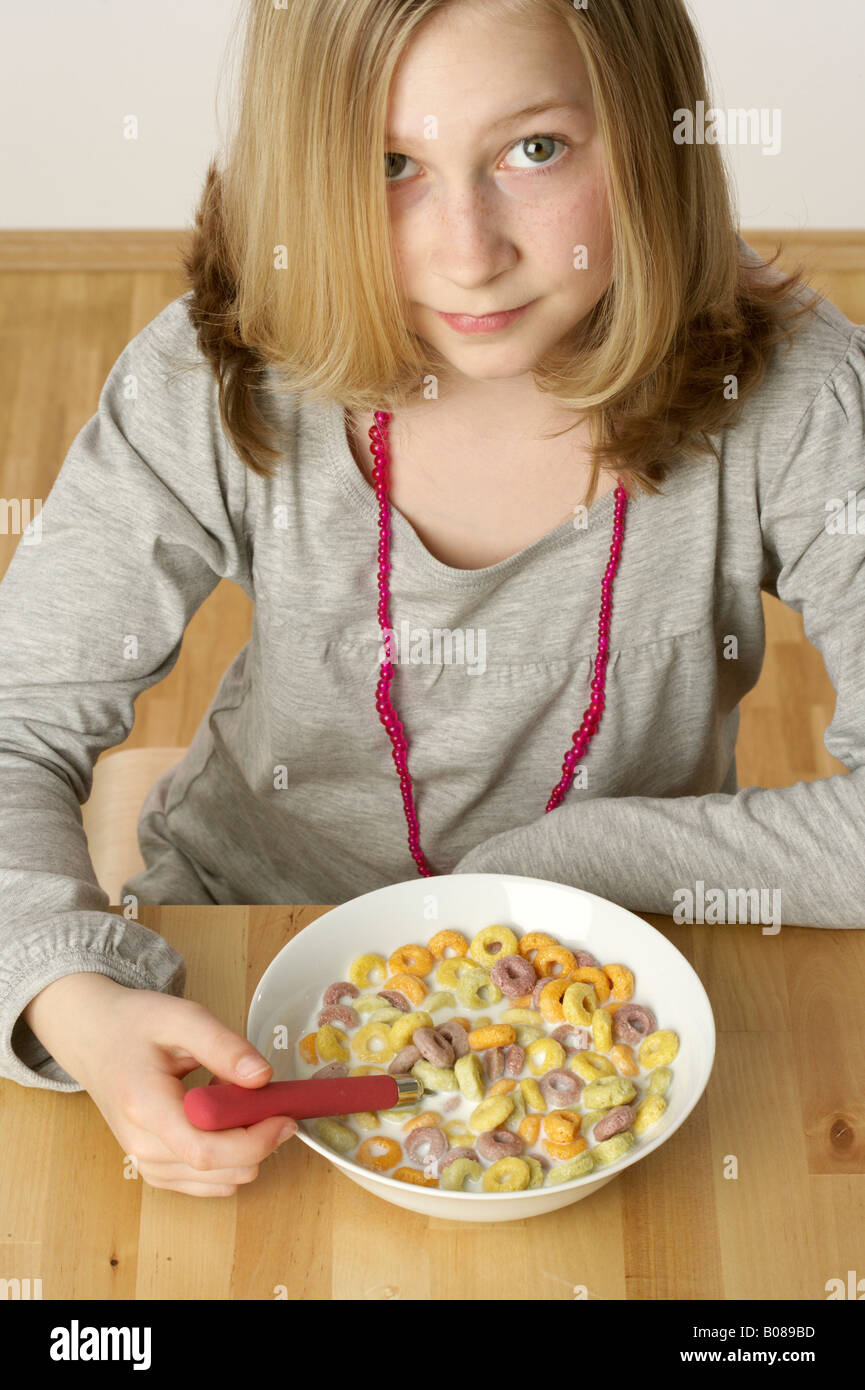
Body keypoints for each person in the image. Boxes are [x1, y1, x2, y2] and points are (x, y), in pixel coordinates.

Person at [1, 0, 863, 1198]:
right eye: (387, 164)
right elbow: (15, 724)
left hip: (617, 968)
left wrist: (574, 859)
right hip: (240, 947)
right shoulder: (213, 373)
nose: (469, 253)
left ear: (653, 133)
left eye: (535, 149)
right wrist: (67, 996)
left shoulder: (799, 397)